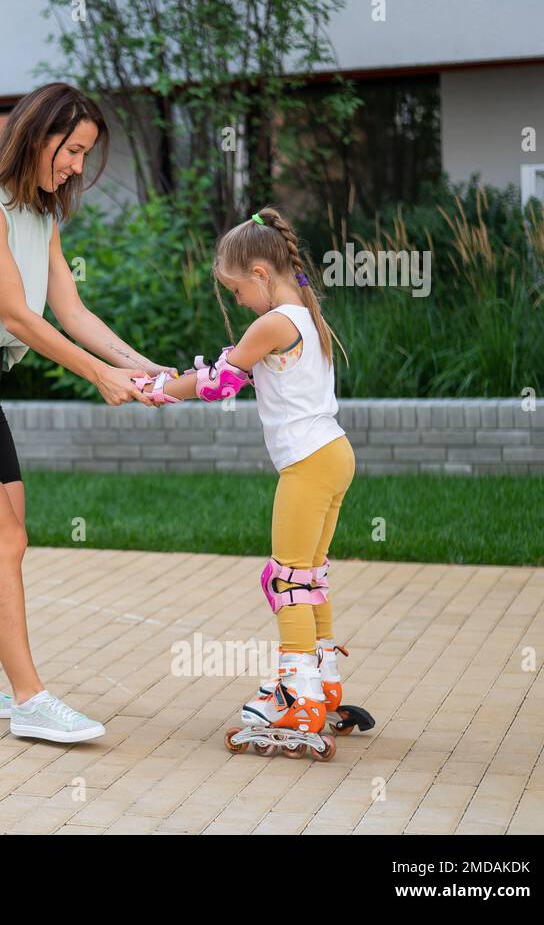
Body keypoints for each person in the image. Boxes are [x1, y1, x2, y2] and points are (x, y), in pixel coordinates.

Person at [0, 82, 176, 744]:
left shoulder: (39, 215)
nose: (78, 165)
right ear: (40, 135)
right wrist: (100, 374)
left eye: (85, 153)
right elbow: (19, 313)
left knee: (6, 535)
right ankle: (30, 698)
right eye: (73, 149)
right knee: (5, 540)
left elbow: (71, 311)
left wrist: (146, 367)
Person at [140, 206, 356, 761]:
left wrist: (162, 388)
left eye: (236, 290)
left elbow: (218, 384)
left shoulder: (272, 322)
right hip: (333, 454)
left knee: (284, 578)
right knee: (310, 574)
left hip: (308, 463)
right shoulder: (304, 311)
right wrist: (173, 379)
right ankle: (322, 677)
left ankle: (296, 695)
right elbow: (227, 373)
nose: (237, 302)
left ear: (260, 273)